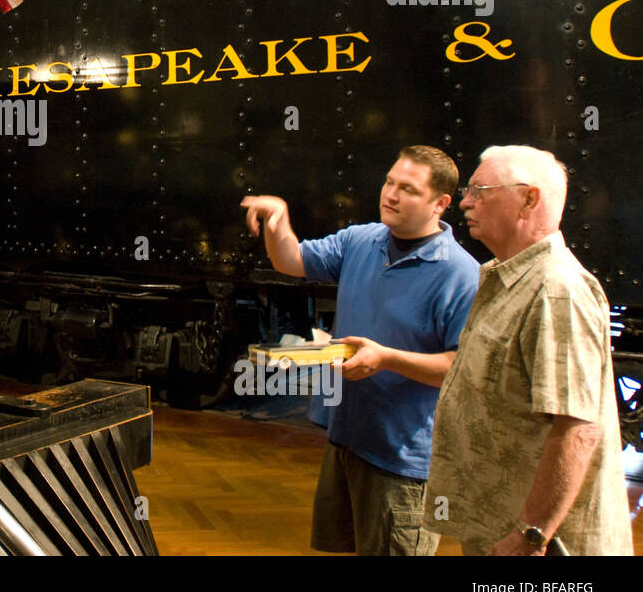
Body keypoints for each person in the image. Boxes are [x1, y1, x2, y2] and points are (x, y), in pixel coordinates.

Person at [241, 145, 479, 555]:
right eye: (389, 182)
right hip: (346, 439)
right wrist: (278, 219)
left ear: (440, 203)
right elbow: (290, 260)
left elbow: (462, 368)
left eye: (408, 189)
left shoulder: (461, 274)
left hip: (403, 459)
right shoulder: (361, 240)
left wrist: (385, 358)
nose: (390, 194)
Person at [425, 146, 632, 555]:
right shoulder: (506, 278)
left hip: (542, 545)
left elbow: (577, 427)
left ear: (529, 200)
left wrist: (531, 534)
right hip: (498, 527)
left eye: (481, 191)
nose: (466, 201)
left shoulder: (557, 290)